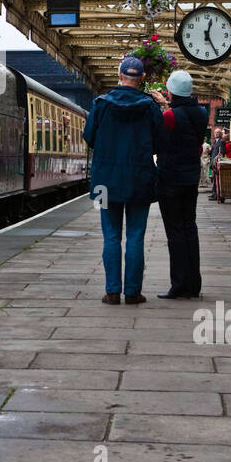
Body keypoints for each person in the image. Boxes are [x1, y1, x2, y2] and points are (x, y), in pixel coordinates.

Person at [83, 56, 170, 305]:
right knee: (135, 235)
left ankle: (112, 291)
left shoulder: (100, 104)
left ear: (119, 75)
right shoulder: (150, 106)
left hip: (104, 181)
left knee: (110, 236)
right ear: (142, 78)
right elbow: (161, 142)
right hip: (139, 178)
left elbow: (89, 137)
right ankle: (132, 292)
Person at [147, 70, 209, 299]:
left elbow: (158, 142)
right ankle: (194, 284)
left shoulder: (170, 116)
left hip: (170, 178)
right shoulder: (201, 113)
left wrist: (162, 108)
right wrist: (167, 105)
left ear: (171, 91)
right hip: (191, 178)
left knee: (175, 232)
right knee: (190, 228)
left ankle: (179, 284)